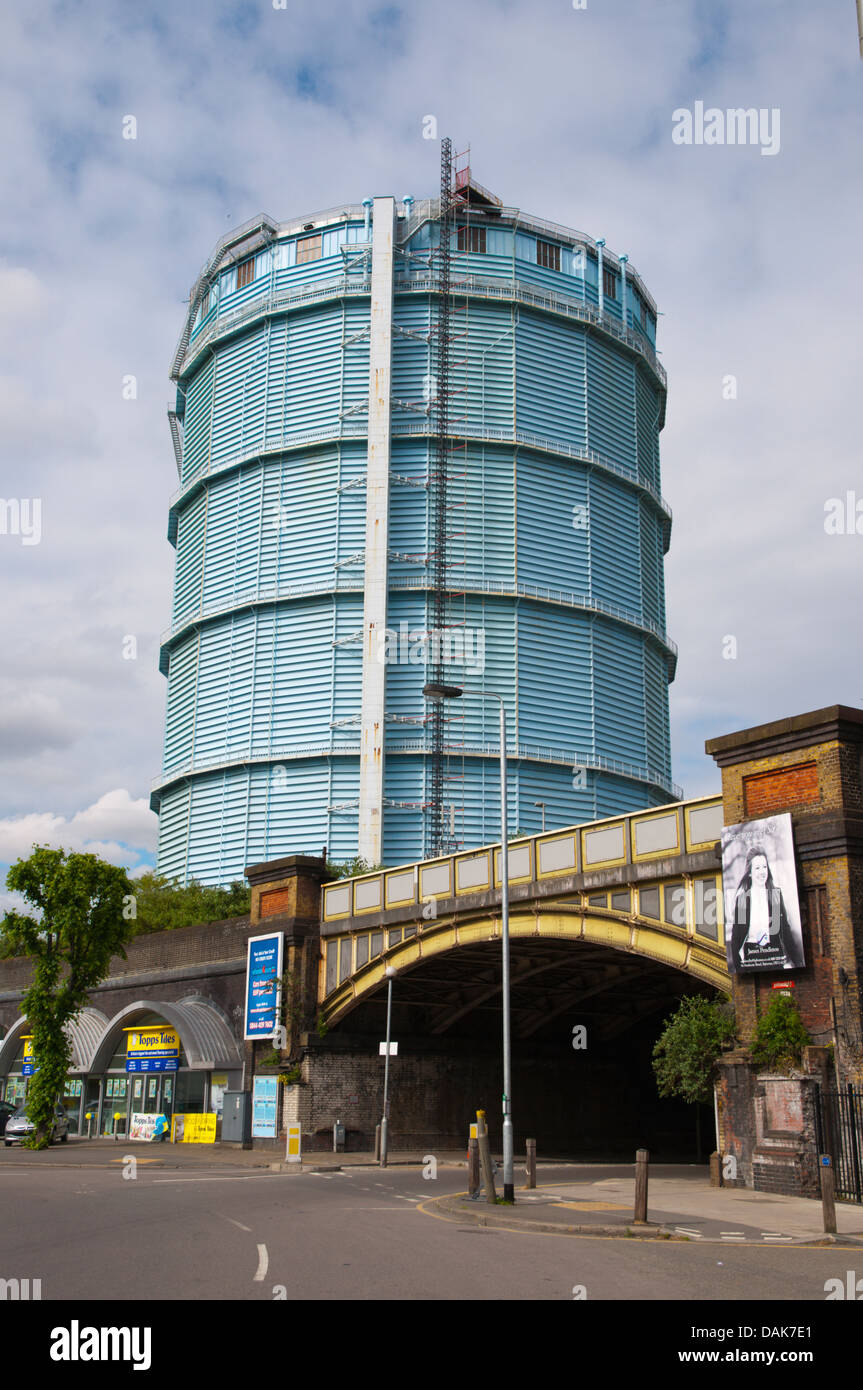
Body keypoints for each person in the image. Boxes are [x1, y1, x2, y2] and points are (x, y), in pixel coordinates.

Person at [729, 846, 803, 971]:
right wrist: (739, 968)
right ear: (750, 872)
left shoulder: (775, 895)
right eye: (757, 868)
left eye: (764, 867)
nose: (762, 871)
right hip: (753, 959)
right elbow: (736, 938)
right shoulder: (743, 900)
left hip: (775, 957)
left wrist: (798, 962)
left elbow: (785, 930)